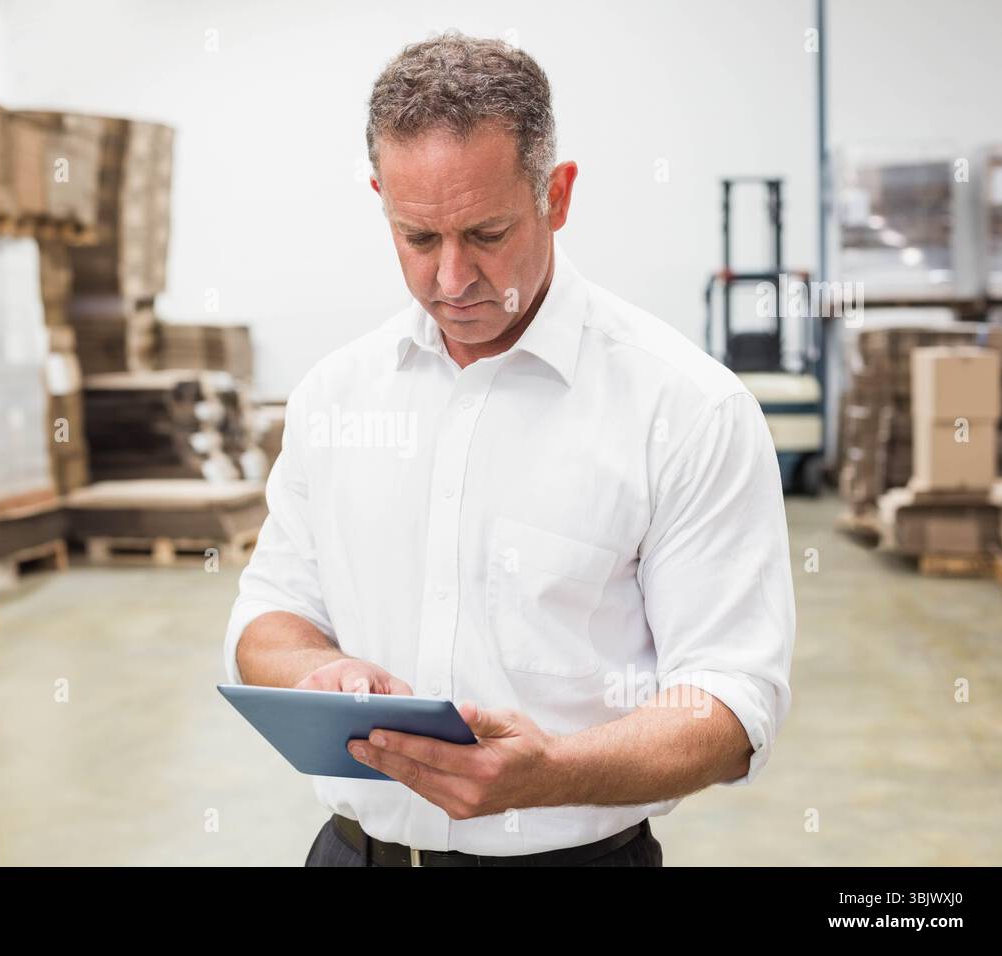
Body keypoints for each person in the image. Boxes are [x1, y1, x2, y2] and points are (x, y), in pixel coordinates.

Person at [223, 31, 795, 867]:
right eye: (419, 239)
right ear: (381, 196)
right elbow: (266, 617)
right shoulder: (336, 398)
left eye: (487, 234)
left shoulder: (686, 409)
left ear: (556, 195)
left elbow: (733, 703)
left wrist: (550, 772)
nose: (452, 280)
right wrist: (319, 669)